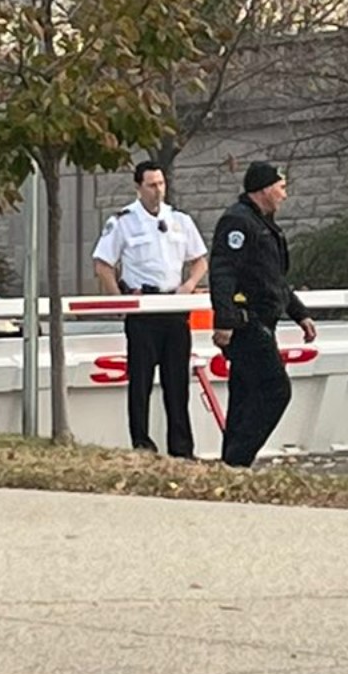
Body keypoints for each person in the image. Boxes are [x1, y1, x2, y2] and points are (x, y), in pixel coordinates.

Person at [92, 161, 209, 458]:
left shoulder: (180, 220)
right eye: (151, 185)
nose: (158, 191)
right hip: (143, 309)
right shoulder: (123, 221)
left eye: (161, 184)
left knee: (177, 384)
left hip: (174, 306)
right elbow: (103, 264)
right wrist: (119, 300)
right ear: (138, 187)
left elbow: (200, 259)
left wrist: (189, 284)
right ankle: (142, 446)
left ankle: (182, 449)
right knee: (141, 383)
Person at [208, 162, 316, 468]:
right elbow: (224, 272)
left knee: (244, 397)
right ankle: (237, 460)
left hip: (262, 319)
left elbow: (272, 280)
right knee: (275, 390)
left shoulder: (261, 223)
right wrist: (226, 320)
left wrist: (299, 314)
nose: (284, 194)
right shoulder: (238, 222)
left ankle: (231, 465)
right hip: (246, 322)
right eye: (281, 187)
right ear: (265, 189)